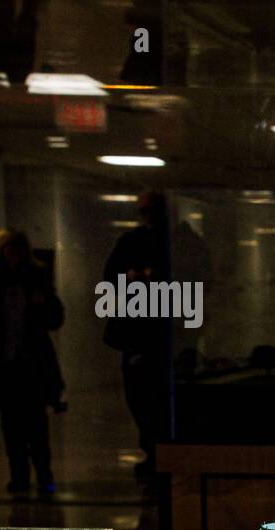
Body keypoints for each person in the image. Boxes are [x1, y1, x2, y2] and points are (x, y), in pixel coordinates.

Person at [0, 228, 65, 495]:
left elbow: (56, 318)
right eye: (8, 248)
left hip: (30, 363)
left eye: (16, 248)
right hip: (5, 364)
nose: (13, 254)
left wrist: (43, 303)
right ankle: (20, 476)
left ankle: (43, 474)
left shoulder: (35, 279)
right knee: (13, 427)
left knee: (36, 425)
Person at [103, 190, 171, 479]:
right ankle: (156, 451)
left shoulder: (164, 242)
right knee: (142, 398)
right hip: (142, 332)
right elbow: (111, 278)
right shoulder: (133, 242)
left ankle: (159, 452)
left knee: (150, 397)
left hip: (155, 333)